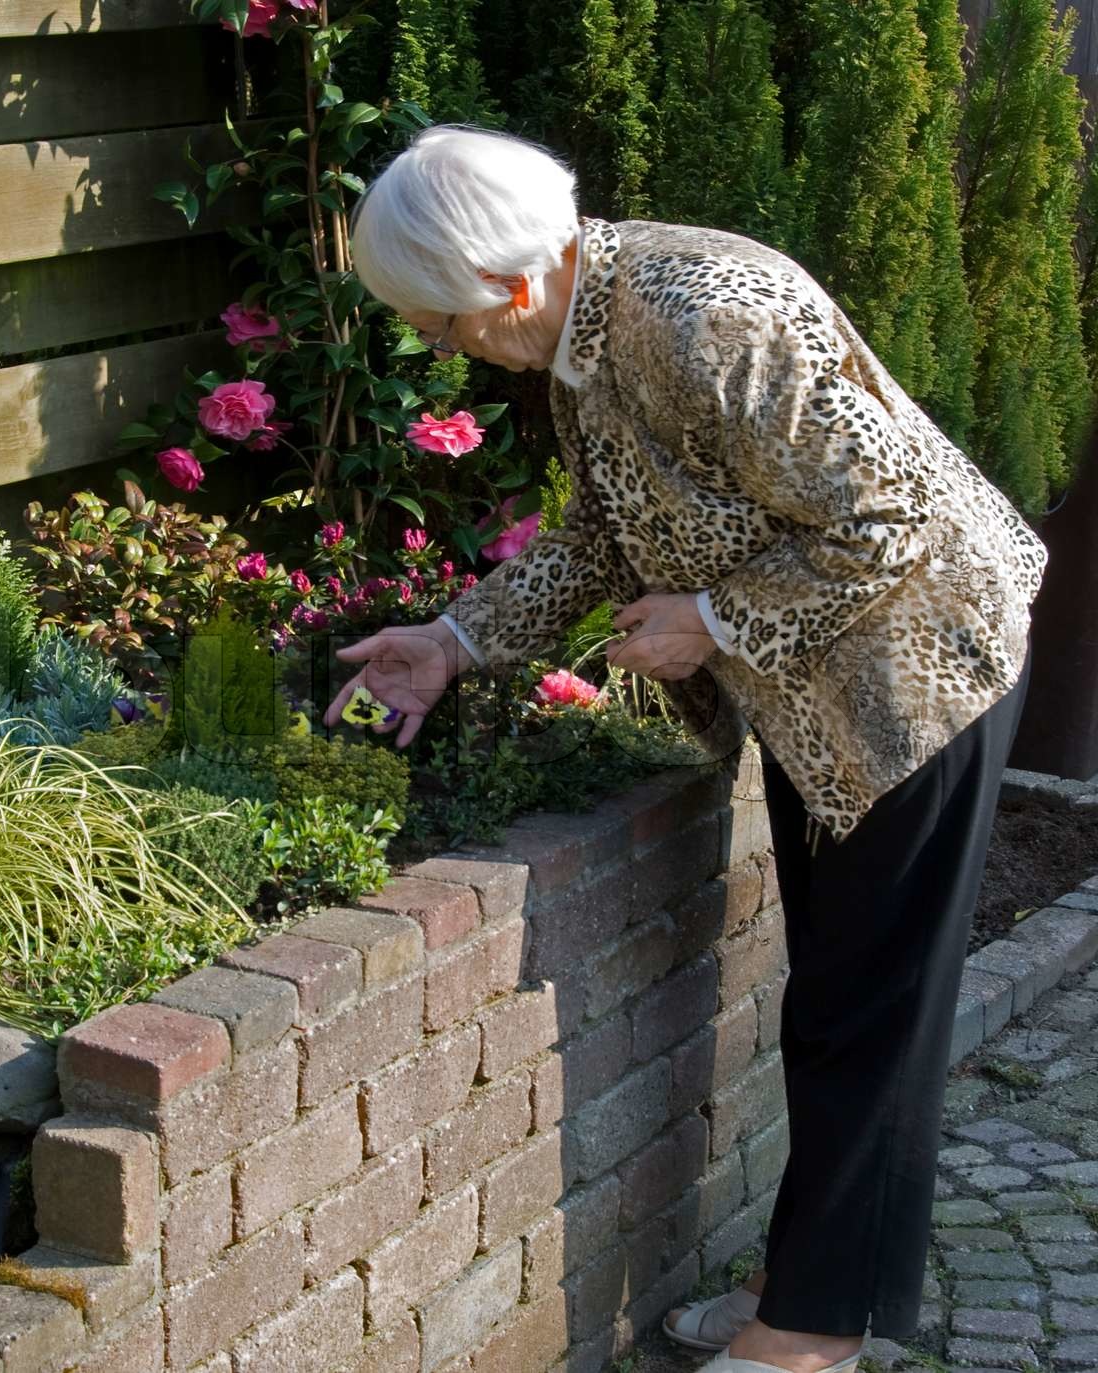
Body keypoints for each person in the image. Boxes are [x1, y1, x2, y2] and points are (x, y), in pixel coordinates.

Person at [323, 125, 1048, 1373]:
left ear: (505, 282)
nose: (440, 352)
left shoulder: (702, 312)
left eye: (439, 323)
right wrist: (451, 640)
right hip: (824, 692)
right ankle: (806, 1283)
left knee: (871, 1014)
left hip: (922, 676)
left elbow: (893, 513)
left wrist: (714, 620)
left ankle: (810, 1331)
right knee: (830, 998)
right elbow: (602, 536)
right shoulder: (582, 332)